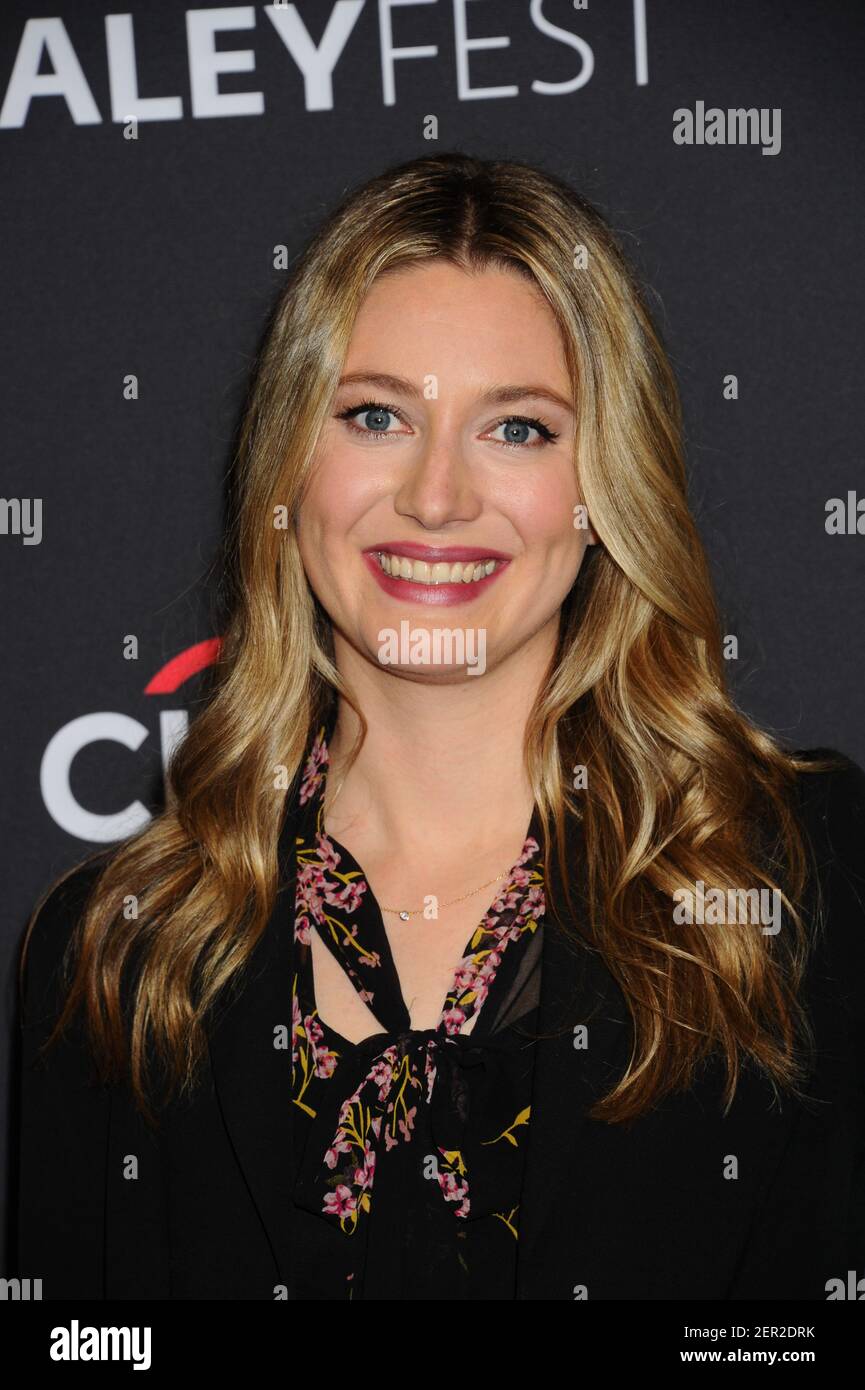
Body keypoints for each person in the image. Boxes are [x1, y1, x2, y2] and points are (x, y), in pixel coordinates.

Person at [17, 152, 865, 1301]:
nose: (435, 496)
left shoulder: (804, 878)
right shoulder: (120, 949)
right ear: (287, 467)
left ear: (603, 485)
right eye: (375, 415)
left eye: (516, 429)